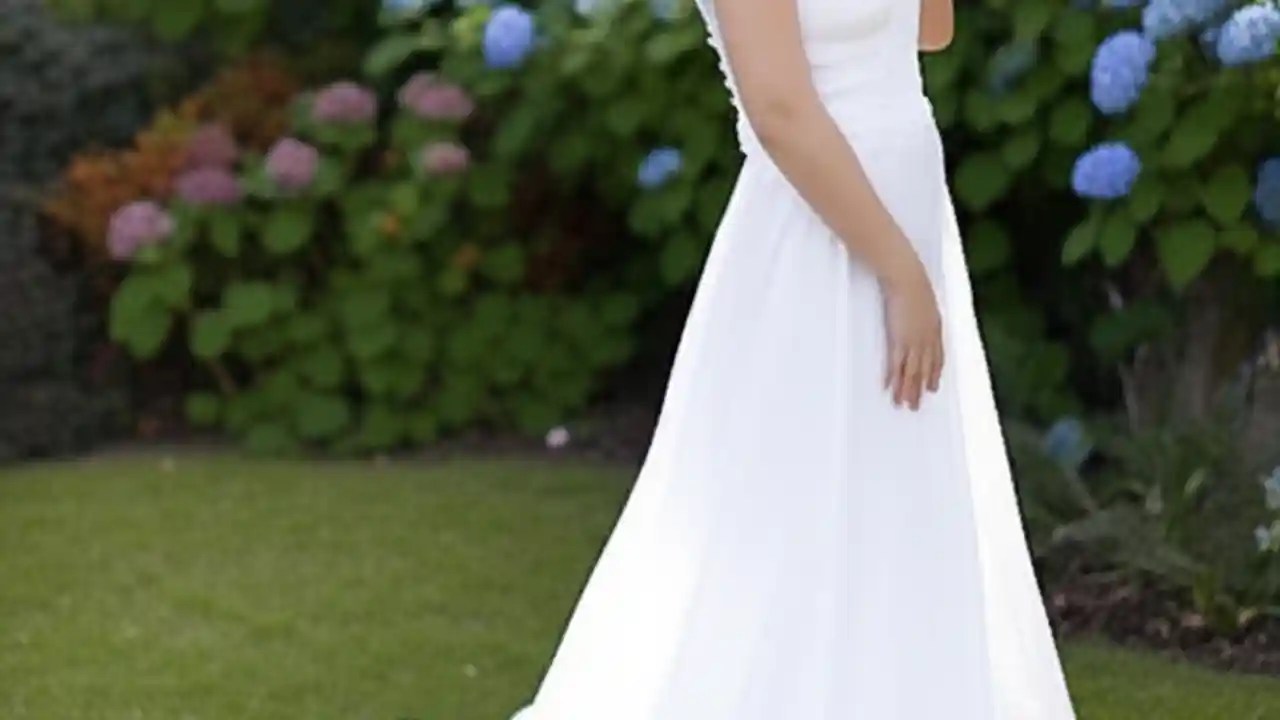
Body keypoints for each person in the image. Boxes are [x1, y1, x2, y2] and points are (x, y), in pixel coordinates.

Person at [513, 0, 1077, 716]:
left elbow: (930, 30)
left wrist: (910, 267)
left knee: (901, 500)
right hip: (823, 244)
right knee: (794, 507)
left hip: (908, 216)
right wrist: (898, 271)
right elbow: (780, 110)